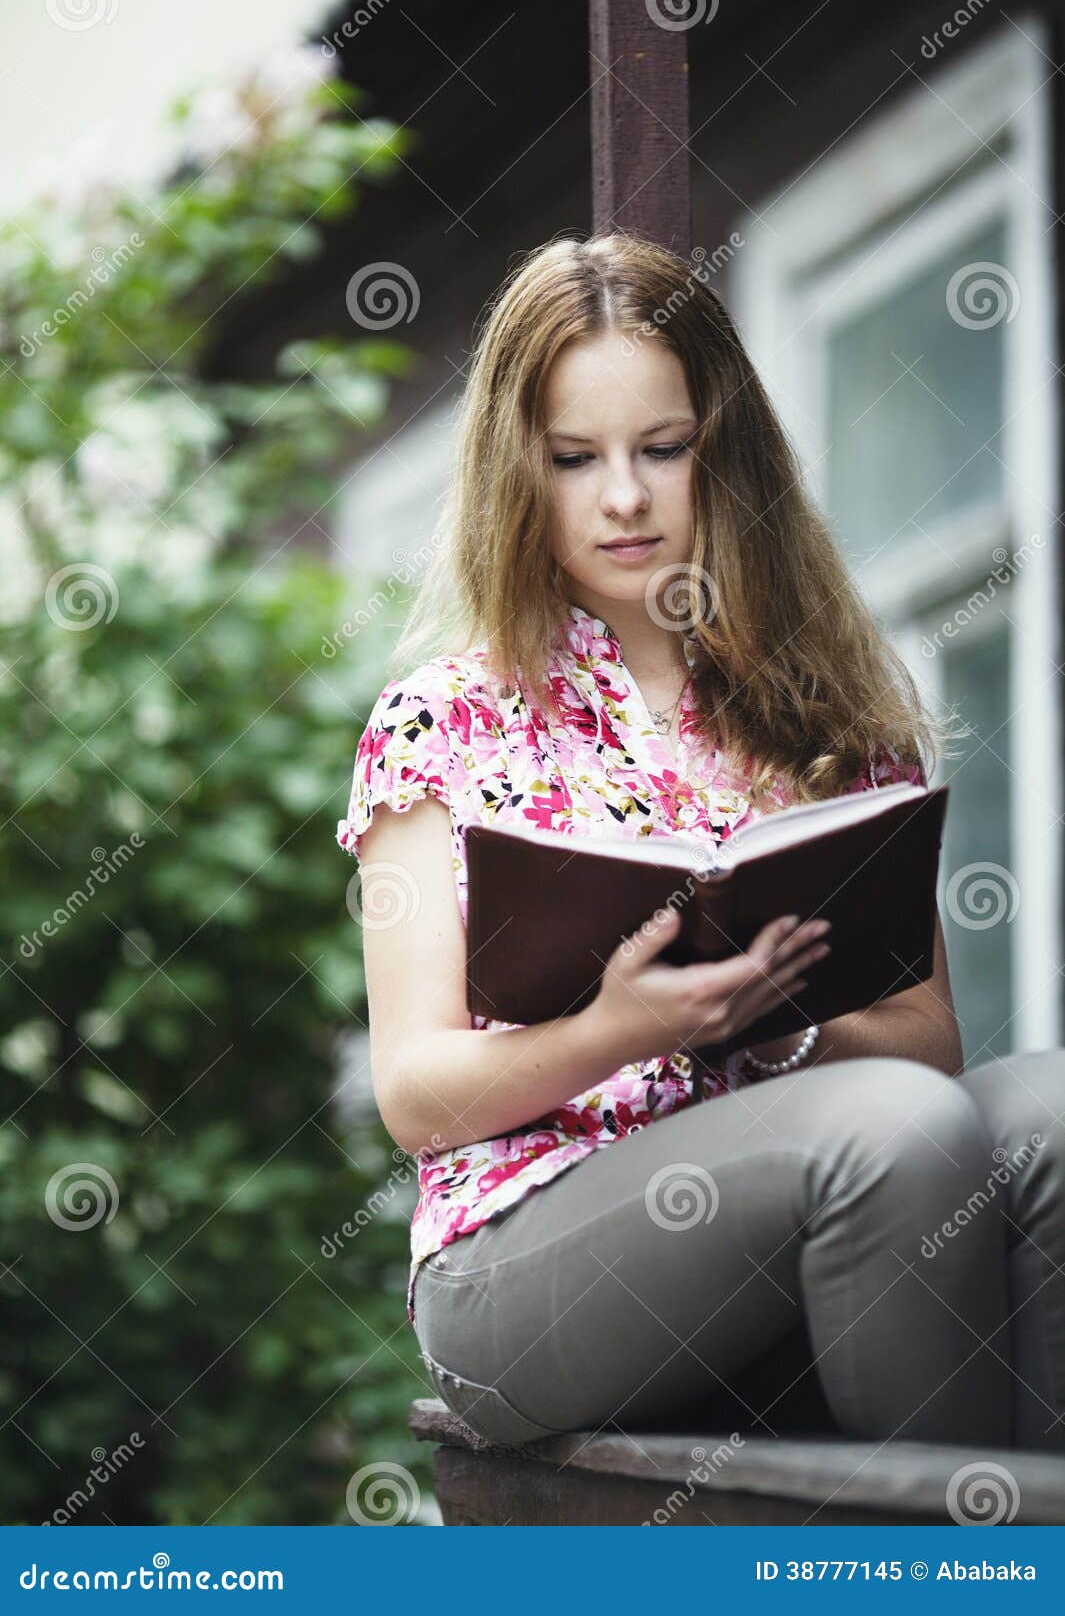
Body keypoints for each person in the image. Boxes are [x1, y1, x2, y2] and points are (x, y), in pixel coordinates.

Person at [337, 233, 1065, 1453]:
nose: (624, 497)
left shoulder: (829, 712)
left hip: (800, 1184)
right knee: (892, 1133)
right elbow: (417, 1096)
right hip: (526, 1247)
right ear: (521, 472)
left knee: (1042, 1108)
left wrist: (779, 1016)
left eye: (663, 449)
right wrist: (622, 1030)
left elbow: (926, 1043)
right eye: (576, 459)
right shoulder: (444, 720)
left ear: (724, 454)